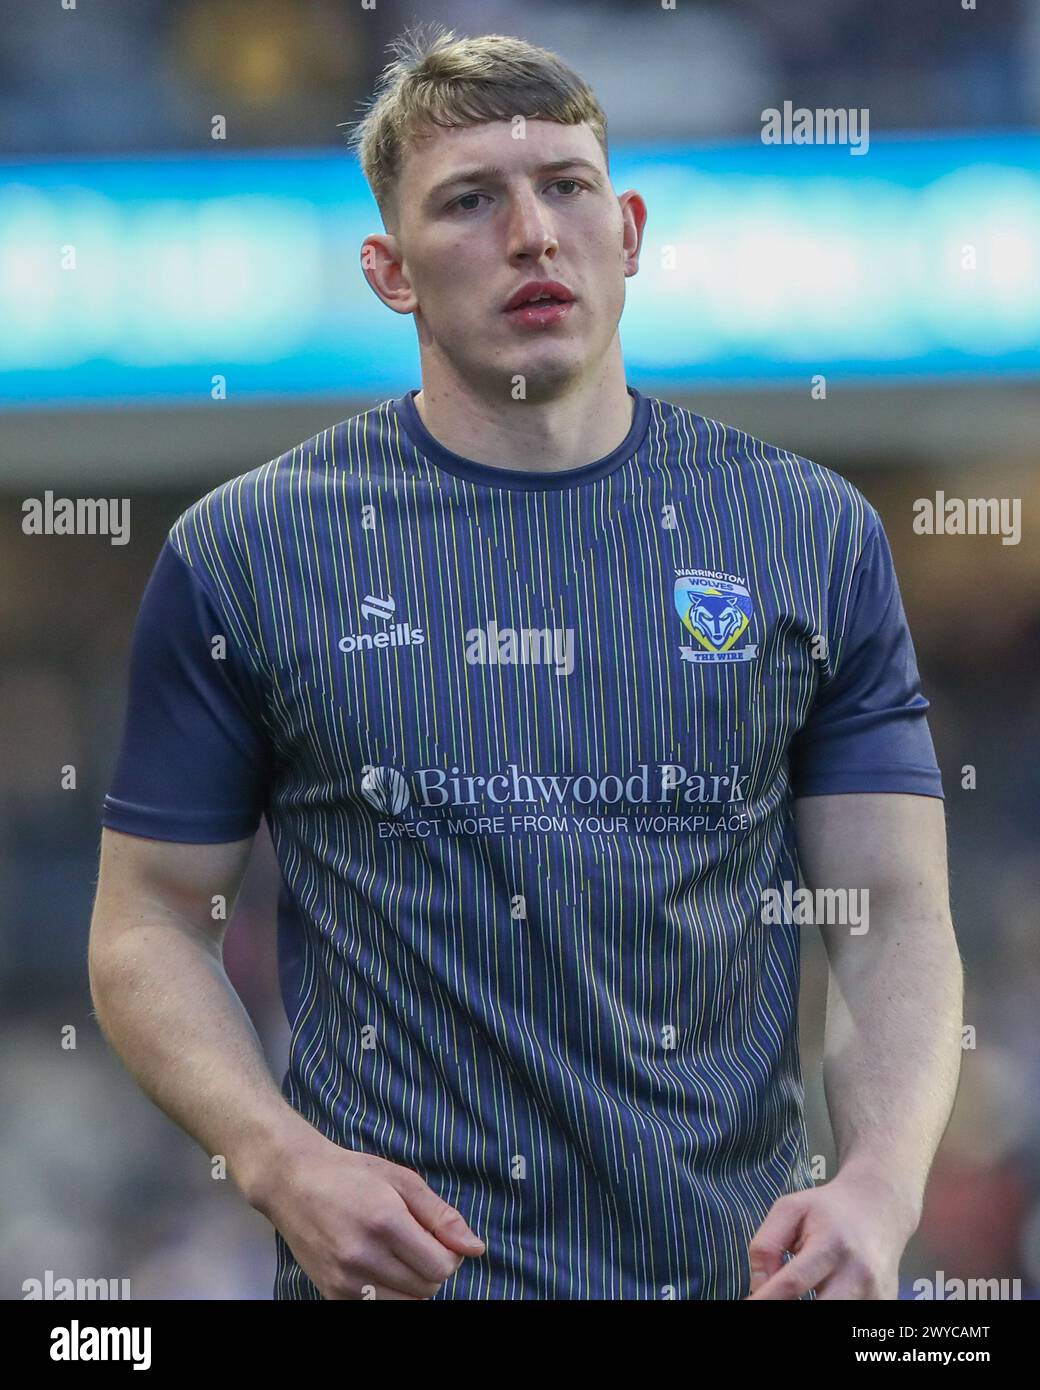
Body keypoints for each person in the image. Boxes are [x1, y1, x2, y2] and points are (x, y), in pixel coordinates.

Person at [88, 24, 963, 1301]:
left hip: (730, 1282)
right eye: (470, 201)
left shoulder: (807, 532)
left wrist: (879, 1187)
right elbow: (146, 921)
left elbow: (890, 915)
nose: (533, 233)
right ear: (389, 271)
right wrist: (275, 1158)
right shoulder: (249, 552)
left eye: (565, 185)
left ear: (632, 230)